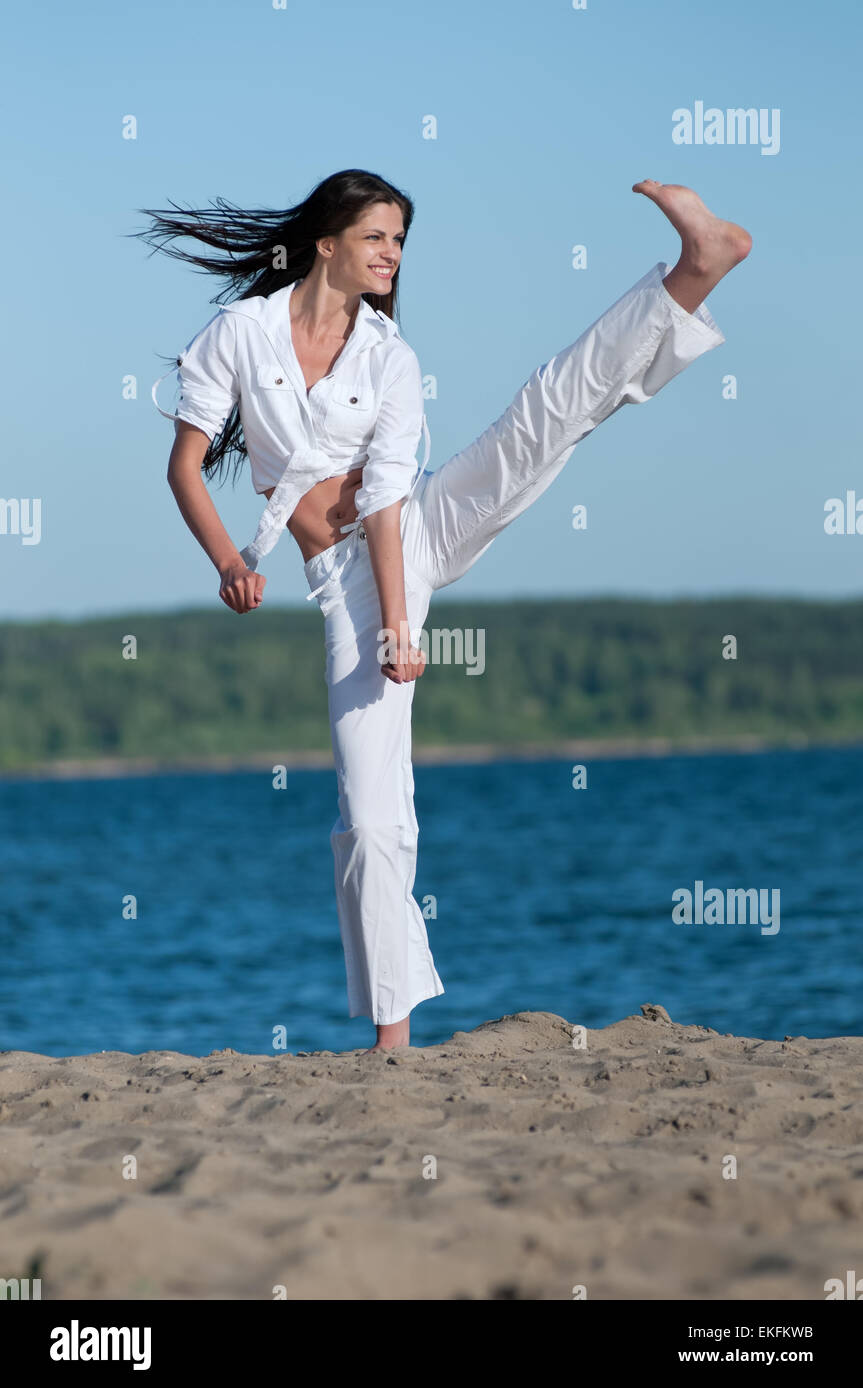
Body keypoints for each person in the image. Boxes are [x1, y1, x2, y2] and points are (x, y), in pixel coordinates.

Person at [140, 169, 751, 1052]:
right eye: (377, 237)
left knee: (545, 416)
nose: (392, 254)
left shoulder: (388, 354)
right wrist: (230, 562)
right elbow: (184, 465)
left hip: (407, 539)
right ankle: (396, 1030)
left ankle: (695, 269)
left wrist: (400, 623)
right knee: (367, 803)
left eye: (399, 241)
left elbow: (387, 503)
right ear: (326, 243)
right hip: (342, 582)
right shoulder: (241, 334)